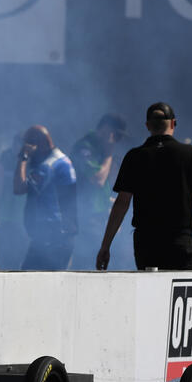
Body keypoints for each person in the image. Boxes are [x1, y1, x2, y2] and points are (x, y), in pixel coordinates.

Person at [96, 102, 192, 271]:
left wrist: (105, 246)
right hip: (180, 242)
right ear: (173, 123)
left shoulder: (134, 156)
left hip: (146, 244)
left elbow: (122, 203)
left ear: (148, 126)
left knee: (150, 293)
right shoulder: (190, 154)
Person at [13, 124, 78, 271]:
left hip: (51, 238)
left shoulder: (48, 166)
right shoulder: (61, 160)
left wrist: (23, 157)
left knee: (27, 281)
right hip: (59, 237)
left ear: (38, 144)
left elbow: (19, 188)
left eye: (28, 145)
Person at [70, 113, 128, 270]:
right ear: (107, 129)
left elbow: (105, 189)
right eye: (116, 135)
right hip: (86, 218)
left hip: (99, 217)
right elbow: (97, 180)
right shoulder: (85, 147)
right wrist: (109, 153)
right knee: (87, 264)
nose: (117, 141)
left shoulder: (101, 150)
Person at [0, 134, 28, 269]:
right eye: (17, 145)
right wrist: (1, 168)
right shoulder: (5, 160)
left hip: (27, 224)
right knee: (6, 265)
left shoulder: (35, 162)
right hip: (7, 222)